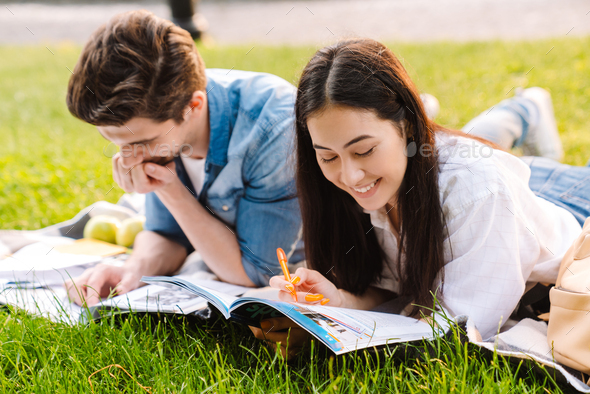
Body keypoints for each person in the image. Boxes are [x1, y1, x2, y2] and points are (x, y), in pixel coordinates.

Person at [252, 38, 590, 356]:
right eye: (328, 157)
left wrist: (325, 340)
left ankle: (526, 107)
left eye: (364, 150)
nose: (350, 176)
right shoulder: (358, 187)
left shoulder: (480, 190)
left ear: (409, 126)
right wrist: (337, 302)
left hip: (574, 208)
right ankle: (522, 109)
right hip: (500, 187)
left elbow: (453, 332)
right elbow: (398, 290)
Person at [64, 10, 304, 306]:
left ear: (194, 105)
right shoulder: (161, 120)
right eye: (111, 140)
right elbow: (169, 234)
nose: (127, 159)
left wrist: (169, 189)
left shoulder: (272, 132)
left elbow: (254, 272)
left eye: (141, 142)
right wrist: (131, 271)